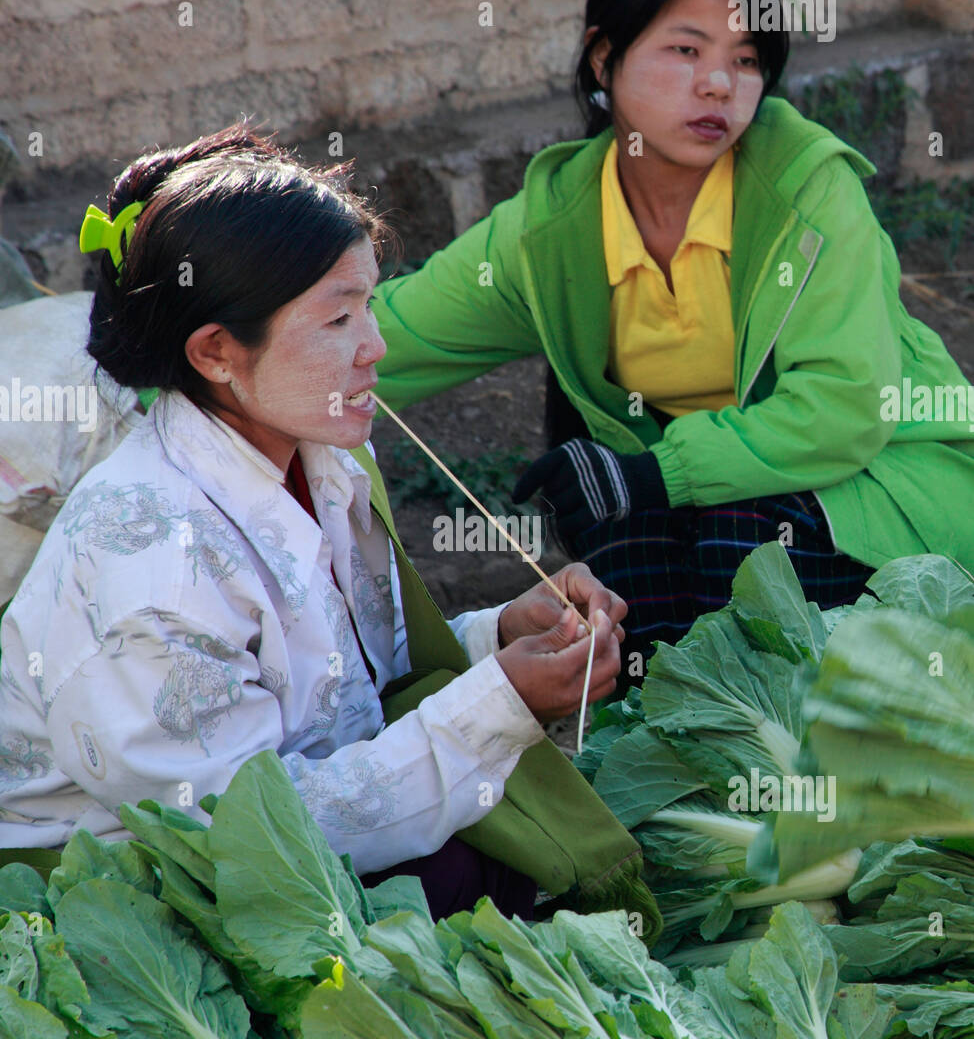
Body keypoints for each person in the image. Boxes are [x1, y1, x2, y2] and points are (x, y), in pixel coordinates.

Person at [0, 125, 662, 933]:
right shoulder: (149, 560)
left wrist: (498, 638)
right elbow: (252, 832)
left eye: (370, 306)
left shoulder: (324, 461)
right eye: (337, 321)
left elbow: (334, 688)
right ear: (216, 352)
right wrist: (501, 703)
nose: (376, 348)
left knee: (490, 860)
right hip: (110, 875)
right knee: (457, 880)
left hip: (264, 817)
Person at [371, 0, 974, 660]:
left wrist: (654, 473)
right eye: (685, 49)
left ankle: (823, 746)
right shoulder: (553, 228)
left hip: (886, 483)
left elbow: (846, 409)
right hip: (702, 505)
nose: (719, 82)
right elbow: (381, 339)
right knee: (626, 605)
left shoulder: (807, 188)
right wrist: (210, 364)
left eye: (746, 59)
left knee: (743, 547)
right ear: (603, 58)